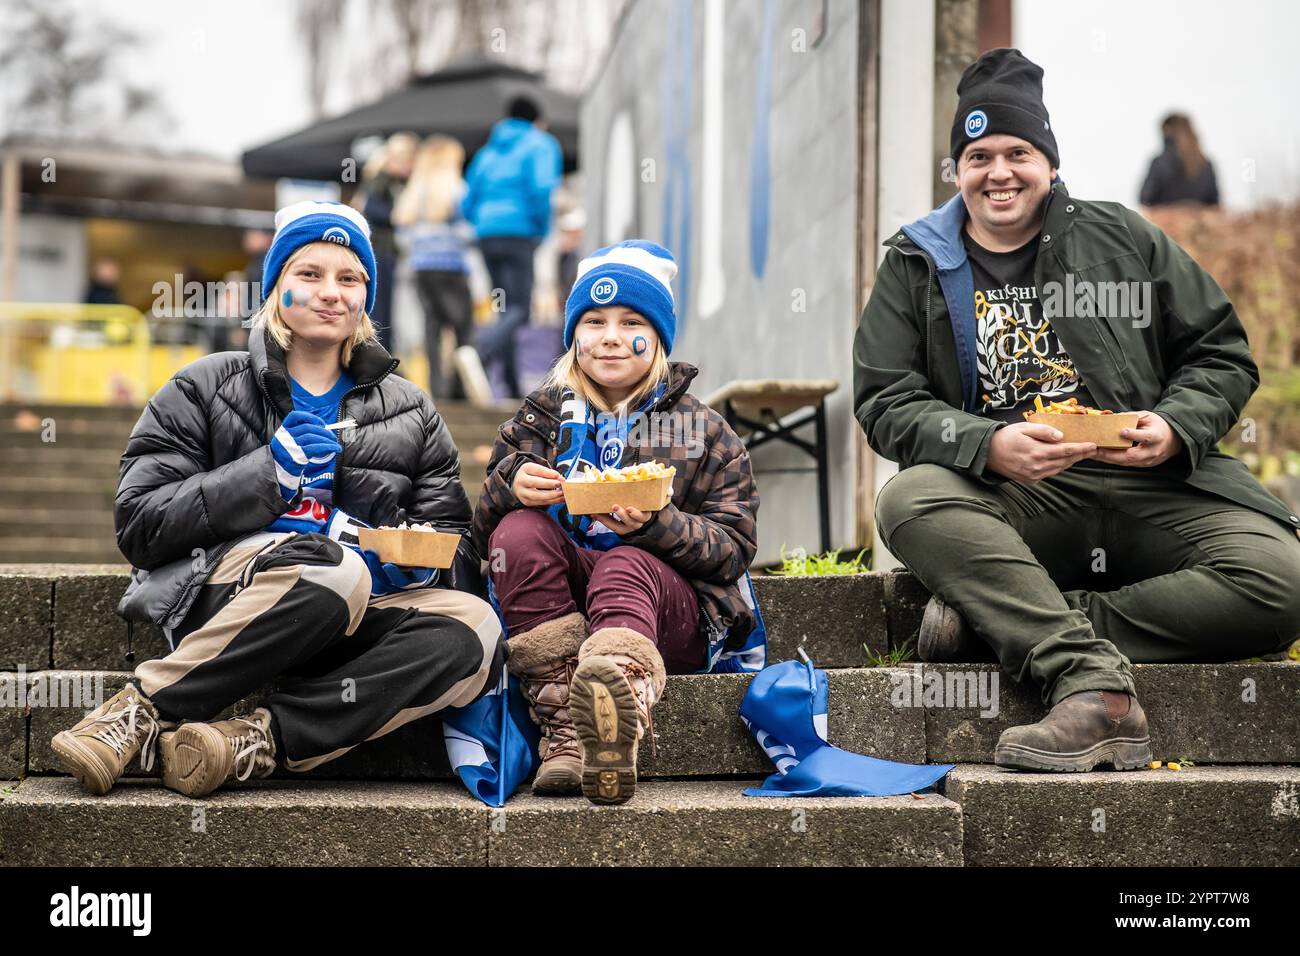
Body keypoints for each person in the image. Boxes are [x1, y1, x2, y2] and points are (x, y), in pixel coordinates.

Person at [855, 48, 1300, 774]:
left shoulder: (1122, 236)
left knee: (1283, 581)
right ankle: (1089, 685)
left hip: (1151, 485)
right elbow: (885, 400)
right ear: (957, 170)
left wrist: (1174, 427)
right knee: (909, 498)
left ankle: (1006, 622)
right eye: (978, 156)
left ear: (1050, 164)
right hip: (1017, 499)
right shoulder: (916, 263)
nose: (998, 172)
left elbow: (1220, 352)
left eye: (1018, 152)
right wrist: (987, 445)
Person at [51, 200, 505, 798]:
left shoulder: (411, 408)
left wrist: (418, 557)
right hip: (230, 596)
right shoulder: (205, 384)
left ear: (366, 297)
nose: (331, 293)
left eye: (350, 279)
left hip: (356, 615)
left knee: (476, 627)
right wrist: (269, 474)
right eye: (309, 275)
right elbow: (140, 523)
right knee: (333, 569)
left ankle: (254, 742)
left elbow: (453, 542)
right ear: (275, 289)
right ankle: (136, 711)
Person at [472, 240, 763, 804]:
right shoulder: (537, 420)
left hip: (670, 618)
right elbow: (481, 542)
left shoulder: (703, 430)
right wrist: (509, 489)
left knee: (626, 559)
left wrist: (657, 525)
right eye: (594, 321)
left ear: (657, 338)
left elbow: (734, 551)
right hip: (559, 612)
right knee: (519, 534)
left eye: (631, 321)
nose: (609, 335)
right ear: (572, 337)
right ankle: (565, 729)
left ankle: (617, 712)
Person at [462, 96, 563, 398]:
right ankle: (480, 351)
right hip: (519, 233)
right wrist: (540, 229)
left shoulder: (487, 152)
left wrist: (482, 221)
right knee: (520, 309)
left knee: (504, 308)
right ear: (536, 121)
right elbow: (542, 189)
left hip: (487, 234)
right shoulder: (540, 143)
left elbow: (467, 200)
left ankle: (509, 383)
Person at [393, 135, 474, 400]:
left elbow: (402, 234)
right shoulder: (457, 189)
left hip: (421, 268)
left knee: (432, 326)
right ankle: (460, 388)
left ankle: (437, 388)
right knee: (463, 327)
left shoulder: (415, 191)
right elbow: (469, 231)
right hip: (451, 265)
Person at [354, 132, 419, 353]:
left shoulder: (383, 178)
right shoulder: (382, 179)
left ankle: (381, 351)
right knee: (381, 308)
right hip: (381, 251)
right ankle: (381, 353)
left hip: (382, 250)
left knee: (382, 307)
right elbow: (370, 207)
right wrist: (397, 216)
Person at [1140, 113, 1220, 207]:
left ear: (1166, 133)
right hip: (1200, 220)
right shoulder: (1206, 164)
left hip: (1165, 220)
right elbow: (1214, 202)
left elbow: (1145, 198)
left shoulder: (1159, 163)